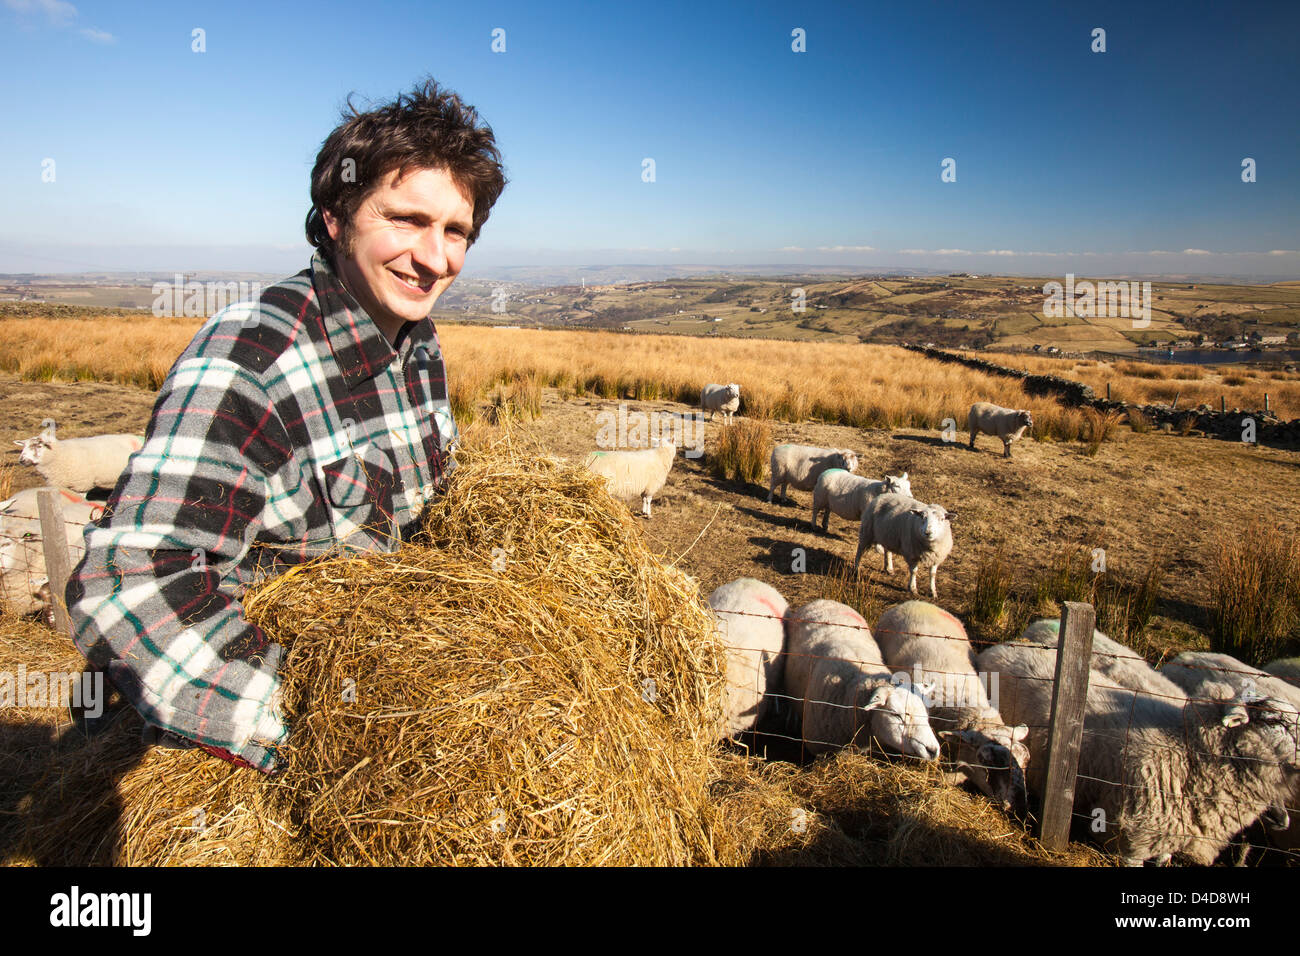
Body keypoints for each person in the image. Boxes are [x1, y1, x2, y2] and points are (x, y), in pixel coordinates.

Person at [65, 79, 507, 772]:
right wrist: (315, 728)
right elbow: (129, 584)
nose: (434, 258)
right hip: (275, 746)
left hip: (386, 685)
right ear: (336, 216)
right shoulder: (251, 357)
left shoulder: (418, 347)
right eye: (406, 220)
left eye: (455, 232)